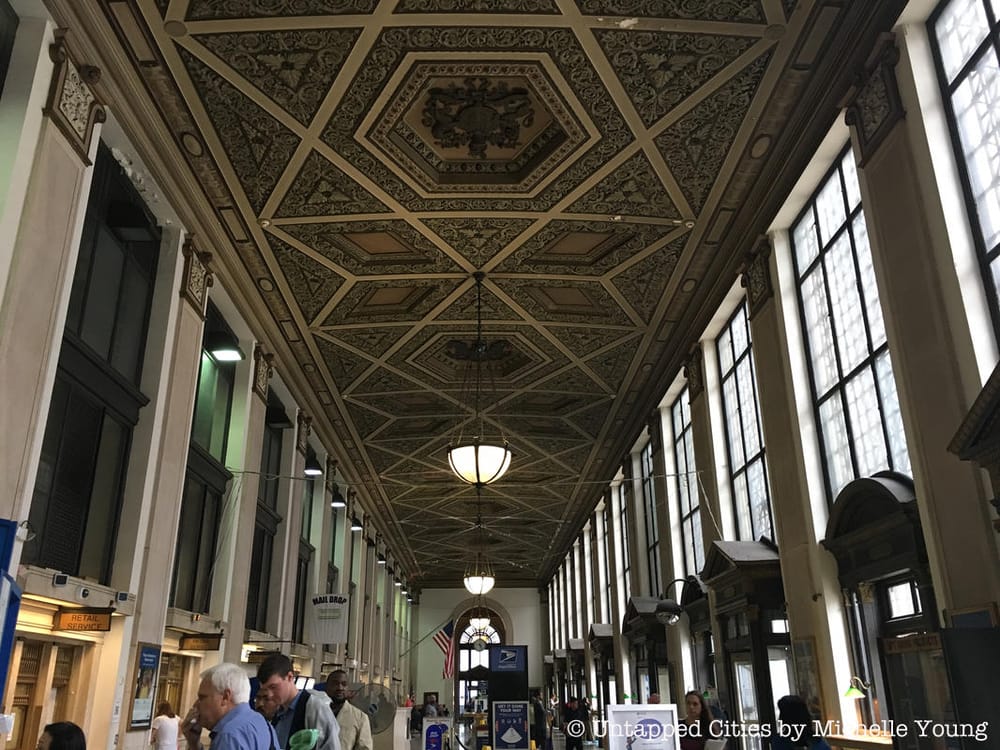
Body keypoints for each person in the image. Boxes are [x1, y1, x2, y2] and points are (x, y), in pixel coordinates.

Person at [182, 663, 278, 750]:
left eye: (202, 698)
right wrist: (194, 744)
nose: (196, 705)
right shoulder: (263, 724)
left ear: (225, 697)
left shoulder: (229, 735)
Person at [257, 654, 341, 750]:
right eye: (265, 689)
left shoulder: (314, 708)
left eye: (273, 687)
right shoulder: (276, 712)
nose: (270, 695)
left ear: (290, 677)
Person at [323, 670, 372, 750]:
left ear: (348, 688)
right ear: (327, 687)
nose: (340, 688)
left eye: (344, 684)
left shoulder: (360, 718)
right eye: (335, 684)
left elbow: (364, 748)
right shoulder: (315, 712)